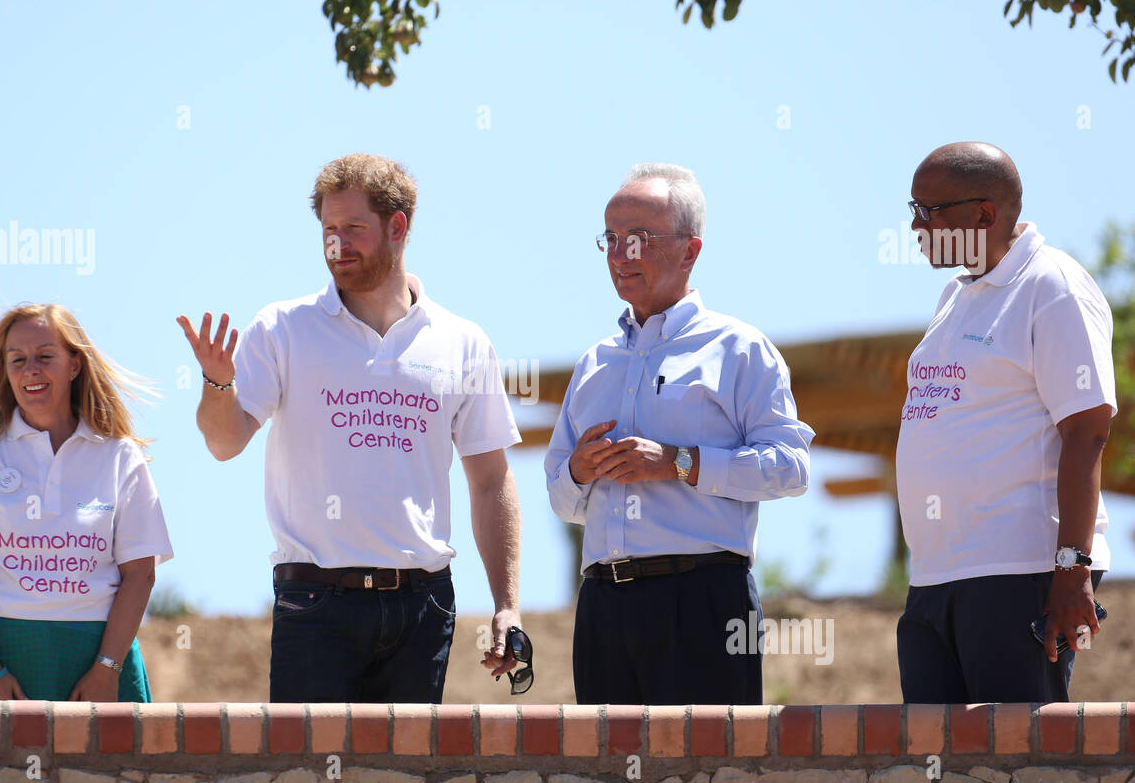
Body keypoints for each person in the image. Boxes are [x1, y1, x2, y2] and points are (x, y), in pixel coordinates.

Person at [177, 153, 522, 703]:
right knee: (307, 782)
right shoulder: (283, 329)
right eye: (328, 230)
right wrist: (218, 384)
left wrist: (506, 604)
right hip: (314, 605)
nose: (337, 244)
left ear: (398, 227)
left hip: (424, 605)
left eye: (354, 229)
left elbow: (490, 481)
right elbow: (224, 442)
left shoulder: (463, 341)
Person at [544, 163, 813, 705]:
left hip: (703, 602)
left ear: (690, 250)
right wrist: (579, 469)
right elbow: (560, 495)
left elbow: (790, 467)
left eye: (640, 239)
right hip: (602, 604)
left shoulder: (739, 348)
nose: (622, 255)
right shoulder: (595, 362)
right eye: (612, 239)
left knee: (707, 782)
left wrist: (678, 462)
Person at [896, 141, 1116, 704]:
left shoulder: (1053, 287)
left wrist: (1072, 570)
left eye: (929, 210)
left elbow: (1087, 431)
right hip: (936, 579)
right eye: (913, 208)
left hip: (1021, 575)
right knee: (933, 769)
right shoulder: (956, 294)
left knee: (1014, 763)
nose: (915, 224)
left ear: (985, 214)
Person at [0, 304, 173, 702]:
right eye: (17, 360)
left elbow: (140, 575)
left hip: (98, 662)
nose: (30, 370)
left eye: (45, 356)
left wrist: (107, 669)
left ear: (74, 364)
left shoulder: (121, 457)